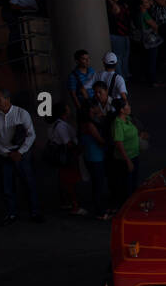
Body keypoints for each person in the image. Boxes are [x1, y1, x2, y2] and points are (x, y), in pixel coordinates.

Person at [0, 89, 41, 224]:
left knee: (29, 183)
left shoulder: (21, 113)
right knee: (7, 186)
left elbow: (31, 135)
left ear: (7, 100)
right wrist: (7, 152)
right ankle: (12, 214)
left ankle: (35, 212)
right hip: (3, 154)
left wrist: (20, 152)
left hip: (22, 153)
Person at [46, 101, 85, 215]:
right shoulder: (61, 126)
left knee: (64, 181)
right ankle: (74, 206)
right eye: (67, 108)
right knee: (69, 182)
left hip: (61, 157)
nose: (69, 110)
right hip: (67, 157)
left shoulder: (55, 124)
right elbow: (68, 143)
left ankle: (66, 202)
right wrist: (79, 148)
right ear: (63, 112)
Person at [79, 89, 110, 219]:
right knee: (98, 185)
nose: (98, 108)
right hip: (95, 158)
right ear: (91, 109)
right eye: (96, 106)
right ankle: (100, 212)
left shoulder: (87, 121)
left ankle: (100, 208)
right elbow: (100, 141)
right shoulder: (89, 125)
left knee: (98, 184)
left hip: (93, 156)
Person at [111, 98, 145, 200]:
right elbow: (119, 143)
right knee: (127, 185)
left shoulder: (128, 119)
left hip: (134, 155)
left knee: (134, 183)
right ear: (122, 110)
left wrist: (140, 136)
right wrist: (128, 161)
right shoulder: (118, 124)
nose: (129, 107)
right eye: (127, 105)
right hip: (125, 160)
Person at [104, 0, 132, 77]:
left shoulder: (121, 3)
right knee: (118, 57)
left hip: (125, 34)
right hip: (116, 35)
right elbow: (116, 10)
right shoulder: (109, 4)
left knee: (125, 56)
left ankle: (126, 74)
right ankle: (121, 77)